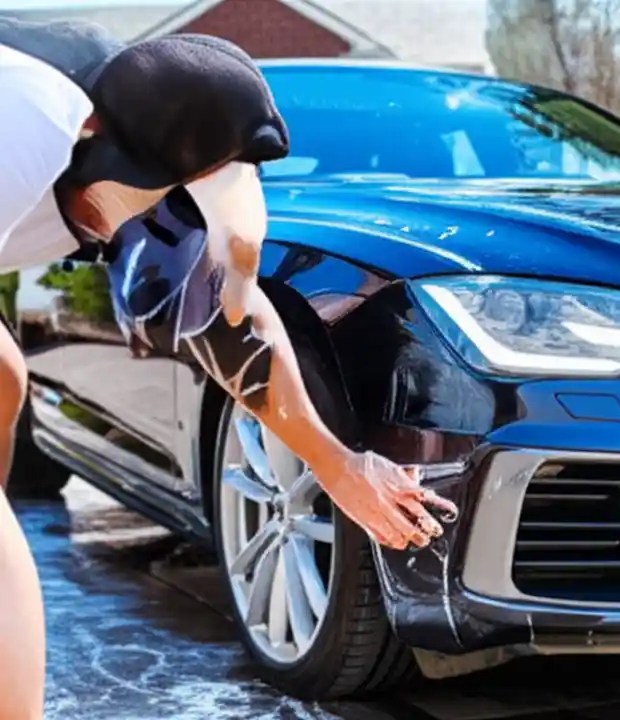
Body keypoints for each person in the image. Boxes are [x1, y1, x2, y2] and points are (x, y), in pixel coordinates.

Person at [0, 22, 456, 718]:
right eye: (137, 221)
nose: (129, 242)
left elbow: (236, 325)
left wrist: (337, 465)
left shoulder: (170, 156)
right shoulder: (31, 115)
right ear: (98, 137)